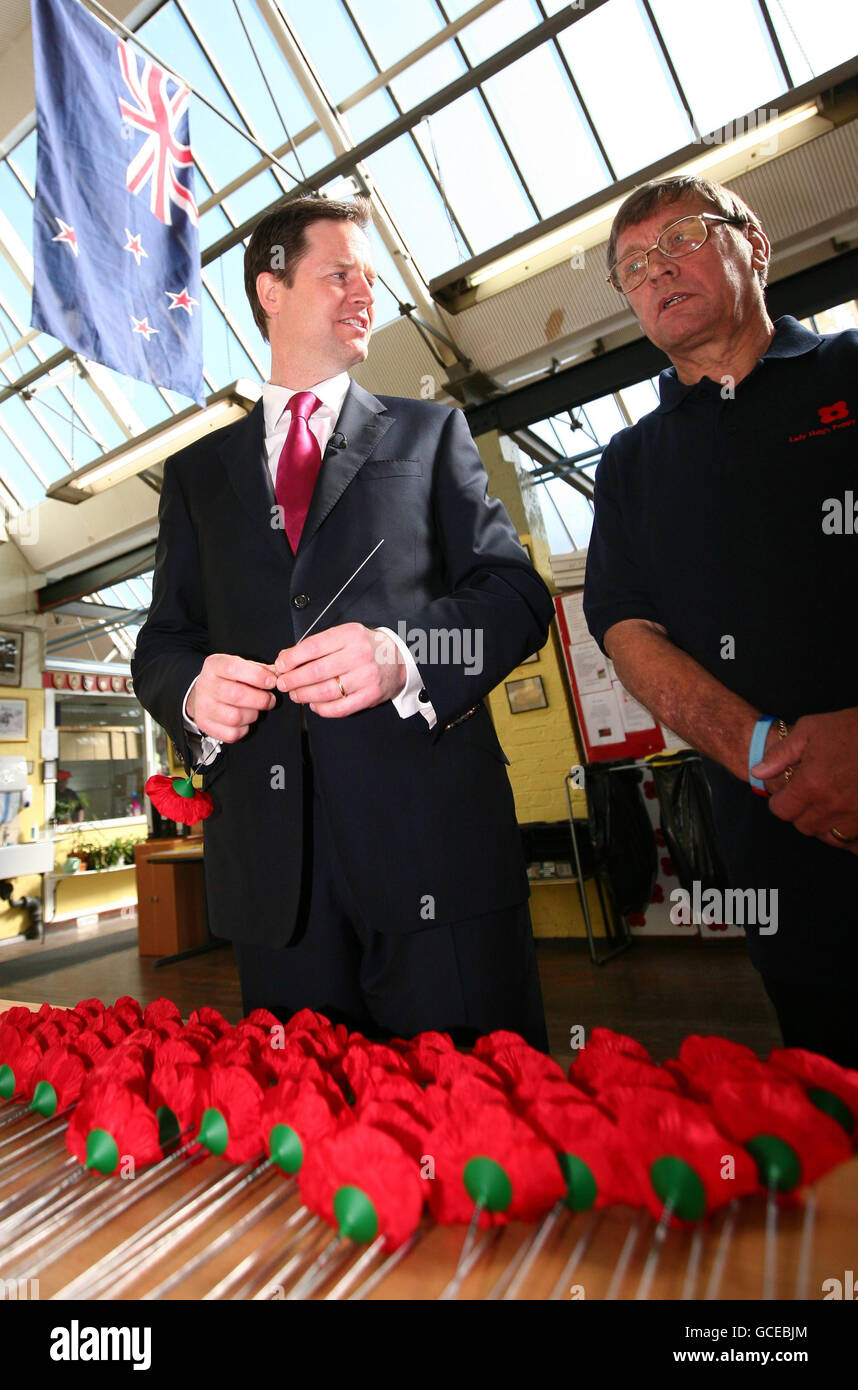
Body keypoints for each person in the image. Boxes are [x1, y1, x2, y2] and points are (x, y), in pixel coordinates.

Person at [132, 196, 553, 1048]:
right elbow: (163, 643)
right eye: (340, 274)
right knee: (307, 1120)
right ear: (271, 290)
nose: (366, 294)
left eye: (371, 278)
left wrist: (403, 656)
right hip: (274, 890)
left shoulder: (431, 433)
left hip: (436, 857)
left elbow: (515, 596)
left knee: (478, 1110)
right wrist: (193, 692)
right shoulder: (195, 475)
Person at [583, 174, 858, 1068]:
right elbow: (627, 631)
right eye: (632, 266)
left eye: (682, 239)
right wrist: (769, 757)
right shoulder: (630, 462)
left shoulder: (850, 369)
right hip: (784, 856)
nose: (656, 270)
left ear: (756, 246)